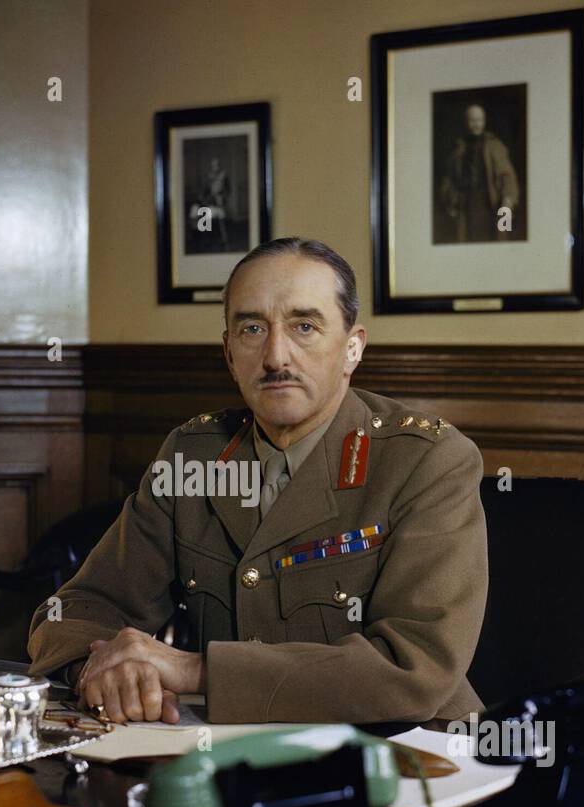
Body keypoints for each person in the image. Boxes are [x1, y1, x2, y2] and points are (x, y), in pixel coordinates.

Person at [27, 237, 488, 725]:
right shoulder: (195, 456)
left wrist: (196, 671)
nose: (275, 357)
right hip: (231, 755)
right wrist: (99, 666)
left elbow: (413, 669)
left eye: (304, 327)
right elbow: (77, 608)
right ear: (228, 352)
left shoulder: (427, 460)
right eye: (252, 329)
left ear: (352, 348)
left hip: (411, 757)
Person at [439, 104, 520, 242]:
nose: (476, 124)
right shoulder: (458, 150)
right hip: (466, 207)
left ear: (484, 121)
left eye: (479, 120)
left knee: (497, 242)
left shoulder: (495, 146)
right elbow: (448, 181)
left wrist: (507, 201)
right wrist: (451, 200)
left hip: (490, 205)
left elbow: (507, 176)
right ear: (466, 122)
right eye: (472, 120)